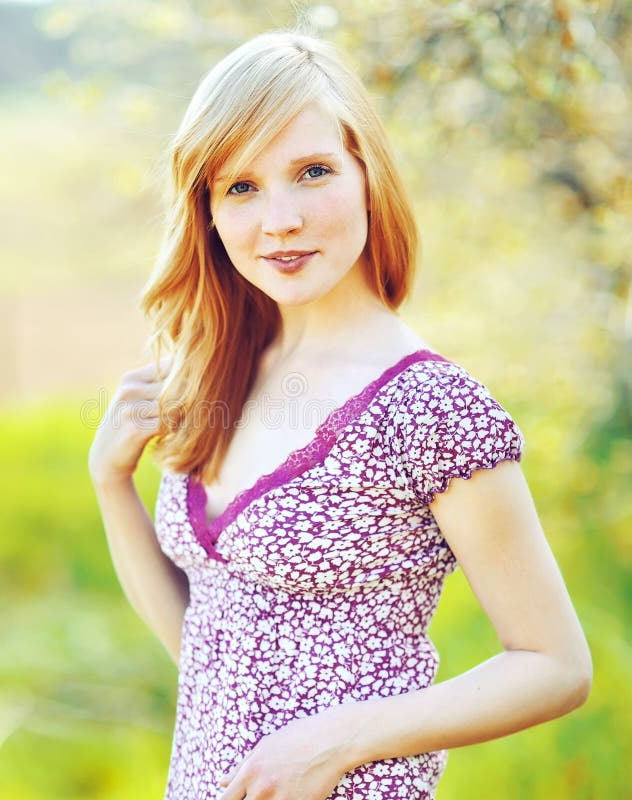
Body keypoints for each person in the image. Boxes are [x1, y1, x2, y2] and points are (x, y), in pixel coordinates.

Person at [88, 29, 592, 800]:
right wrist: (110, 483)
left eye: (312, 172)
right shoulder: (225, 371)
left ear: (368, 177)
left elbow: (554, 666)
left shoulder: (428, 406)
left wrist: (335, 741)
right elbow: (207, 650)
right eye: (241, 188)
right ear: (209, 211)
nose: (279, 220)